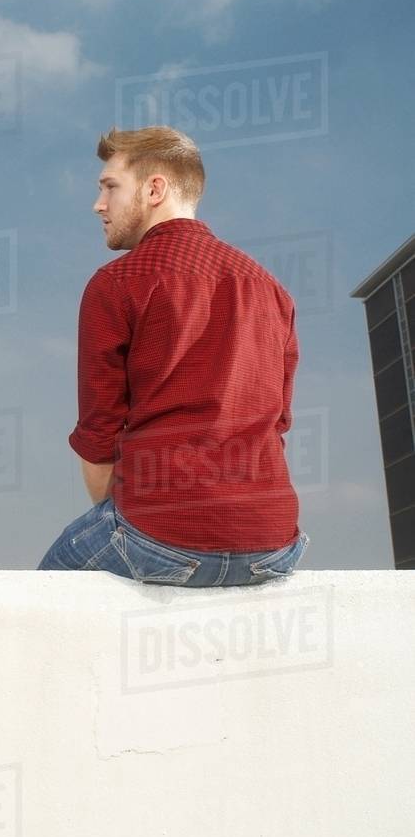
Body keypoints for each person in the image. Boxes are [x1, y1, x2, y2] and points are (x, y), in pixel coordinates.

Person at [37, 125, 309, 587]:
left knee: (41, 598)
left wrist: (131, 521)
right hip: (274, 545)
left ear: (155, 188)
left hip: (159, 536)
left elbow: (99, 435)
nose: (98, 204)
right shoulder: (271, 288)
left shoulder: (117, 282)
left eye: (110, 187)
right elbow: (278, 421)